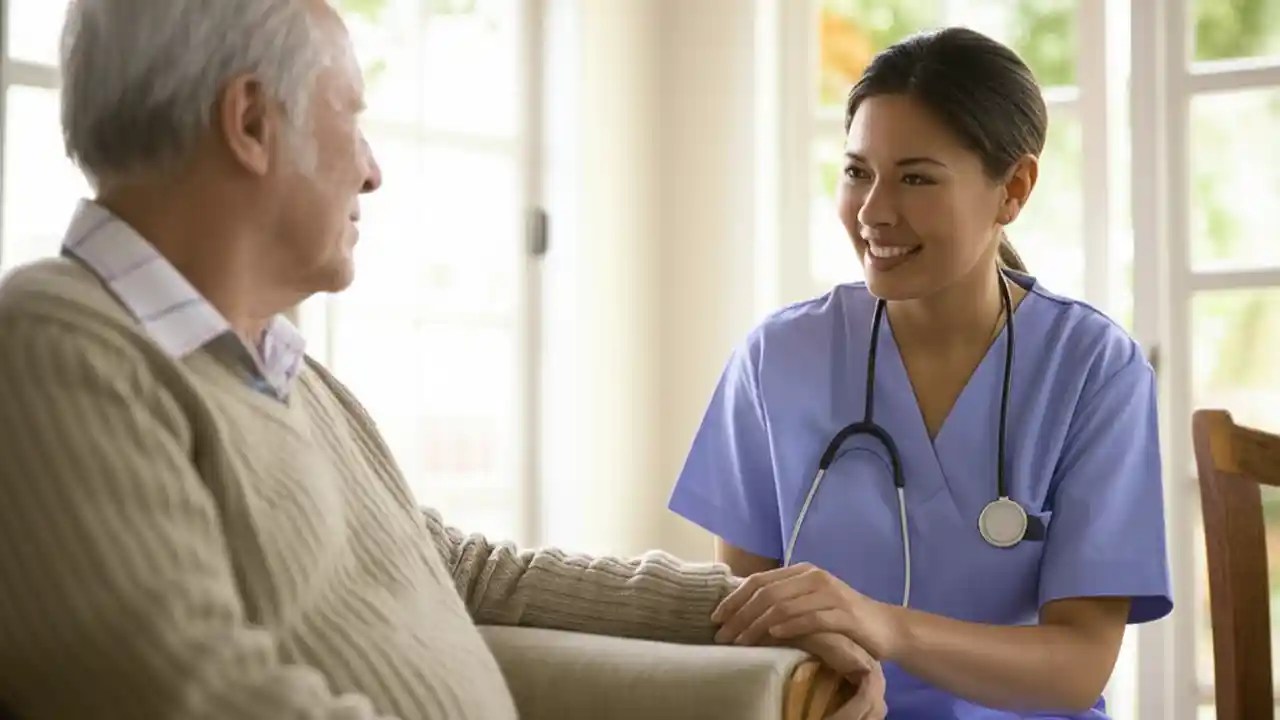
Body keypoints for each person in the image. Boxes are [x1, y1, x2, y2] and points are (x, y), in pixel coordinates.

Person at [0, 1, 885, 718]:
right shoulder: (60, 347)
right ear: (252, 122)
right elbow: (186, 695)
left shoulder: (283, 374)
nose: (372, 171)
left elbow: (463, 572)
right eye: (351, 117)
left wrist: (763, 605)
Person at [669, 27, 1172, 719]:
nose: (874, 212)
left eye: (915, 178)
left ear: (1013, 190)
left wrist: (885, 626)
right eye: (857, 172)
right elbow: (745, 623)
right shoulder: (777, 359)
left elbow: (1078, 667)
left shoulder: (1092, 369)